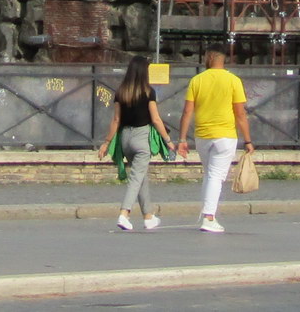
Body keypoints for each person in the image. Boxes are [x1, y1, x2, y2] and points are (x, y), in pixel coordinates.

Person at [175, 45, 252, 233]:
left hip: (202, 135)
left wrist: (182, 138)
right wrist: (248, 140)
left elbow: (187, 111)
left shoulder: (197, 80)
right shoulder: (233, 80)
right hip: (225, 135)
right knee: (216, 176)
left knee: (210, 174)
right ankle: (209, 217)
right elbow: (240, 114)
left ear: (209, 57)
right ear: (223, 59)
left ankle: (207, 213)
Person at [97, 55, 171, 231]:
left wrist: (106, 142)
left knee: (140, 177)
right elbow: (156, 119)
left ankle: (148, 216)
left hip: (125, 139)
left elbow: (116, 120)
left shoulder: (121, 92)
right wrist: (168, 140)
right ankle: (124, 213)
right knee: (136, 178)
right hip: (142, 137)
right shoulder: (148, 92)